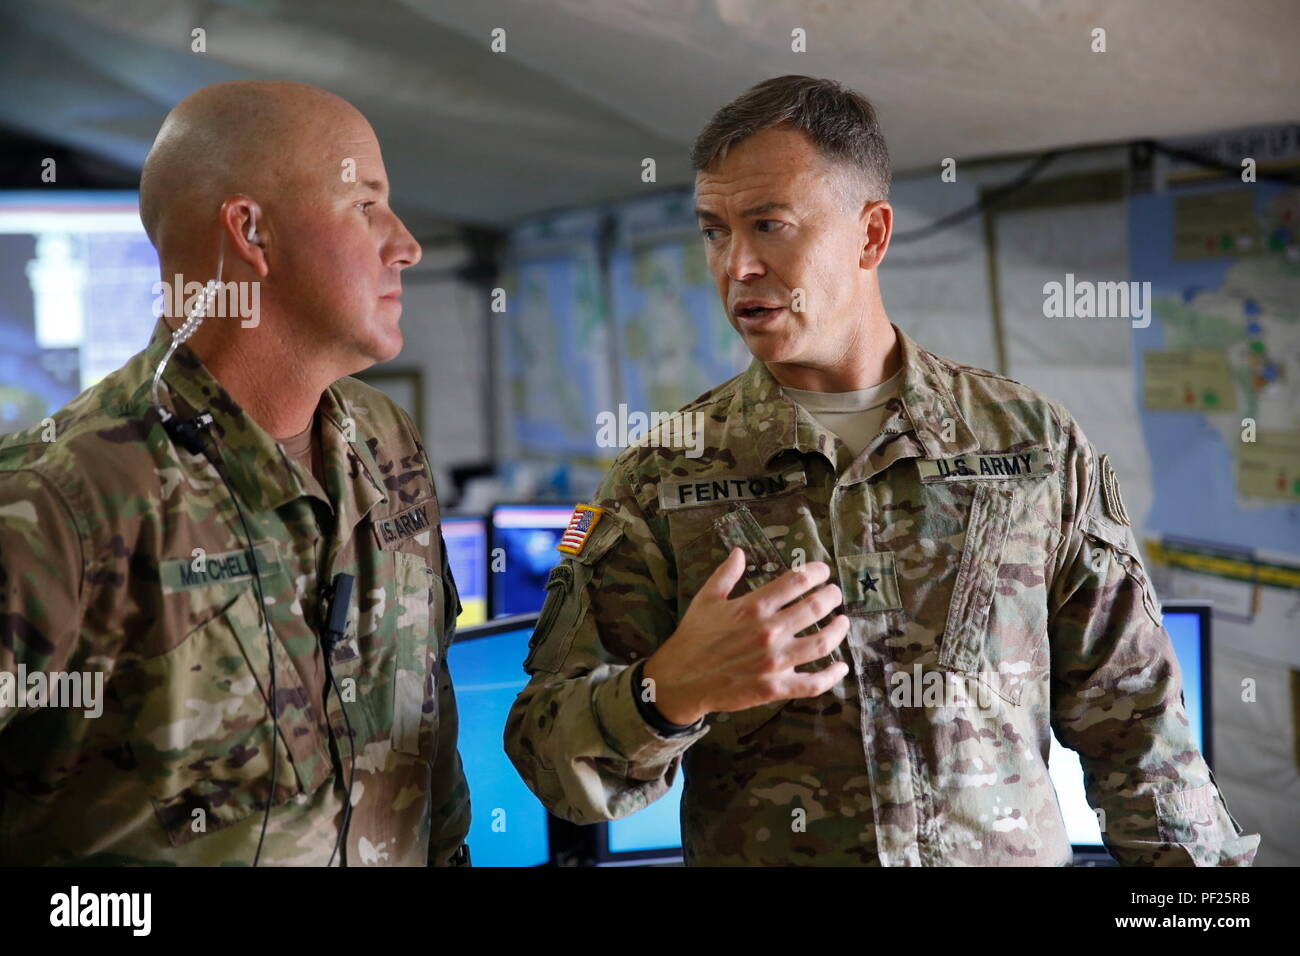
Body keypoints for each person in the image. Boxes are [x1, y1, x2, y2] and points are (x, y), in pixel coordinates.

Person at [505, 75, 1259, 866]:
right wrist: (669, 691)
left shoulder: (1031, 447)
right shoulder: (660, 475)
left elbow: (1141, 735)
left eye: (769, 225)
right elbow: (547, 756)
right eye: (714, 231)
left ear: (871, 236)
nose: (738, 265)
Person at [0, 81, 470, 865]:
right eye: (366, 207)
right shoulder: (59, 498)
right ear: (252, 232)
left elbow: (429, 738)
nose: (406, 244)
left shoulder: (385, 443)